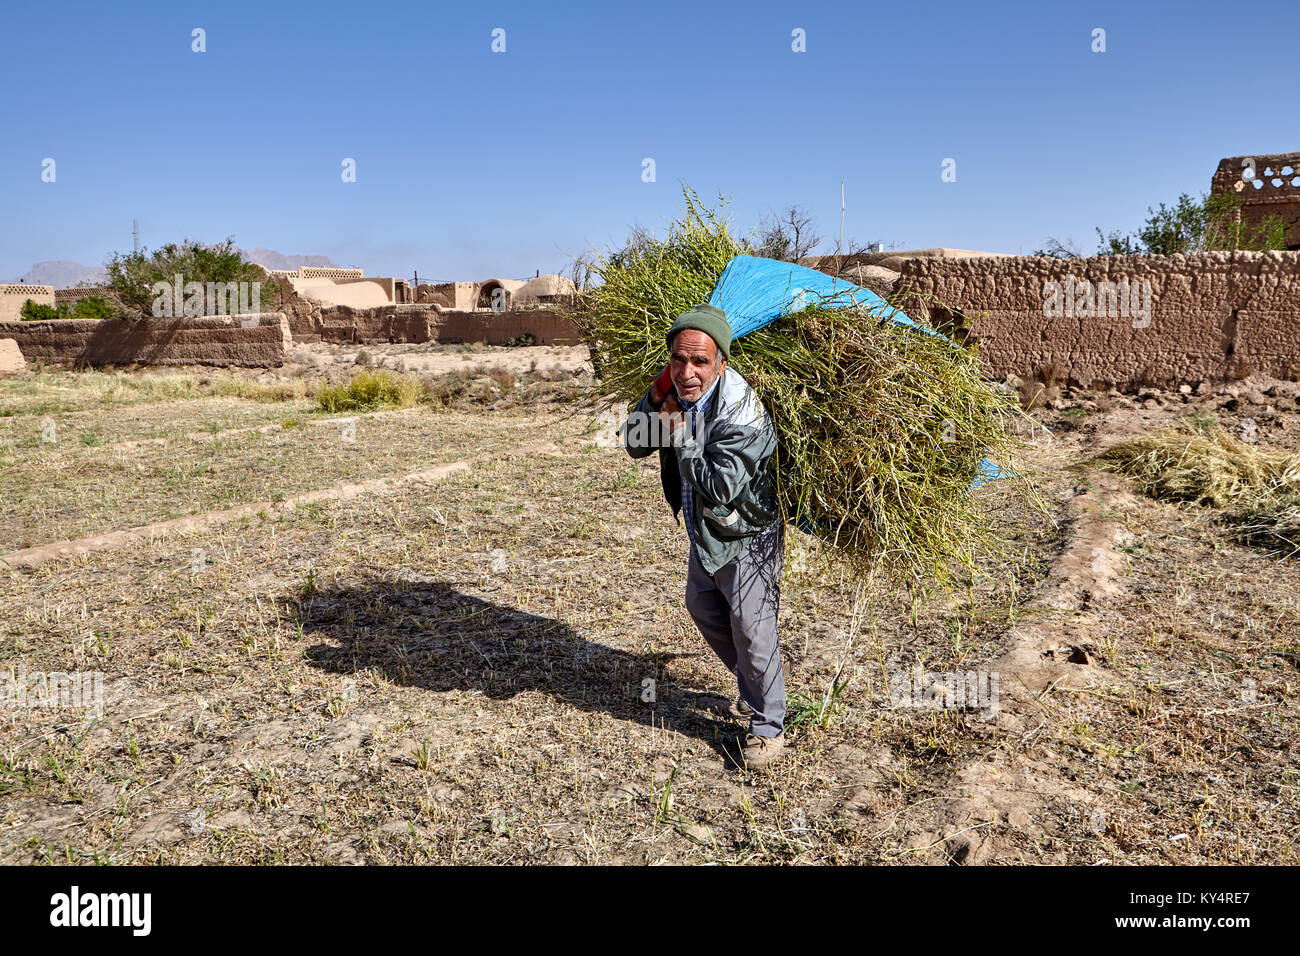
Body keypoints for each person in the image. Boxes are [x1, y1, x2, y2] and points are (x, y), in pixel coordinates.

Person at [622, 304, 788, 769]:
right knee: (703, 608)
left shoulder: (743, 413)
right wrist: (656, 397)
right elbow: (635, 443)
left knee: (752, 629)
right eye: (678, 360)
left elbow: (720, 485)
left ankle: (767, 724)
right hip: (705, 531)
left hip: (748, 532)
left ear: (721, 363)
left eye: (699, 362)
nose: (687, 371)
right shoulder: (672, 389)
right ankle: (760, 682)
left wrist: (680, 436)